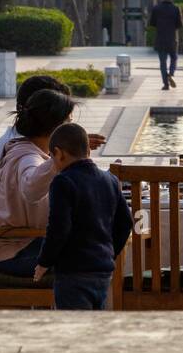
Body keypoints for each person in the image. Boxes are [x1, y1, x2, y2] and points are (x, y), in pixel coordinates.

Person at [32, 123, 133, 310]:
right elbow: (126, 223)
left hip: (73, 272)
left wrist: (44, 262)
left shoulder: (63, 182)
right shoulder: (110, 180)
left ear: (58, 153)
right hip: (102, 271)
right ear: (88, 149)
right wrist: (109, 252)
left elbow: (58, 228)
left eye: (53, 158)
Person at [0, 89, 76, 273]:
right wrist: (56, 159)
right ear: (56, 127)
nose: (71, 131)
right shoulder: (26, 157)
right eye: (69, 124)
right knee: (90, 259)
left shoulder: (33, 152)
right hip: (12, 252)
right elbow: (32, 189)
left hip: (30, 243)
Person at [0, 73, 73, 207]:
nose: (70, 127)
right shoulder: (22, 153)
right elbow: (32, 191)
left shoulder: (24, 142)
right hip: (16, 225)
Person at [149, 0, 183, 90]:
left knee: (162, 62)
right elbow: (180, 24)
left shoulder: (156, 8)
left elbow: (152, 23)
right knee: (174, 57)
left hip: (160, 39)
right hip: (172, 38)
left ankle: (165, 84)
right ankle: (171, 74)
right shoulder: (176, 8)